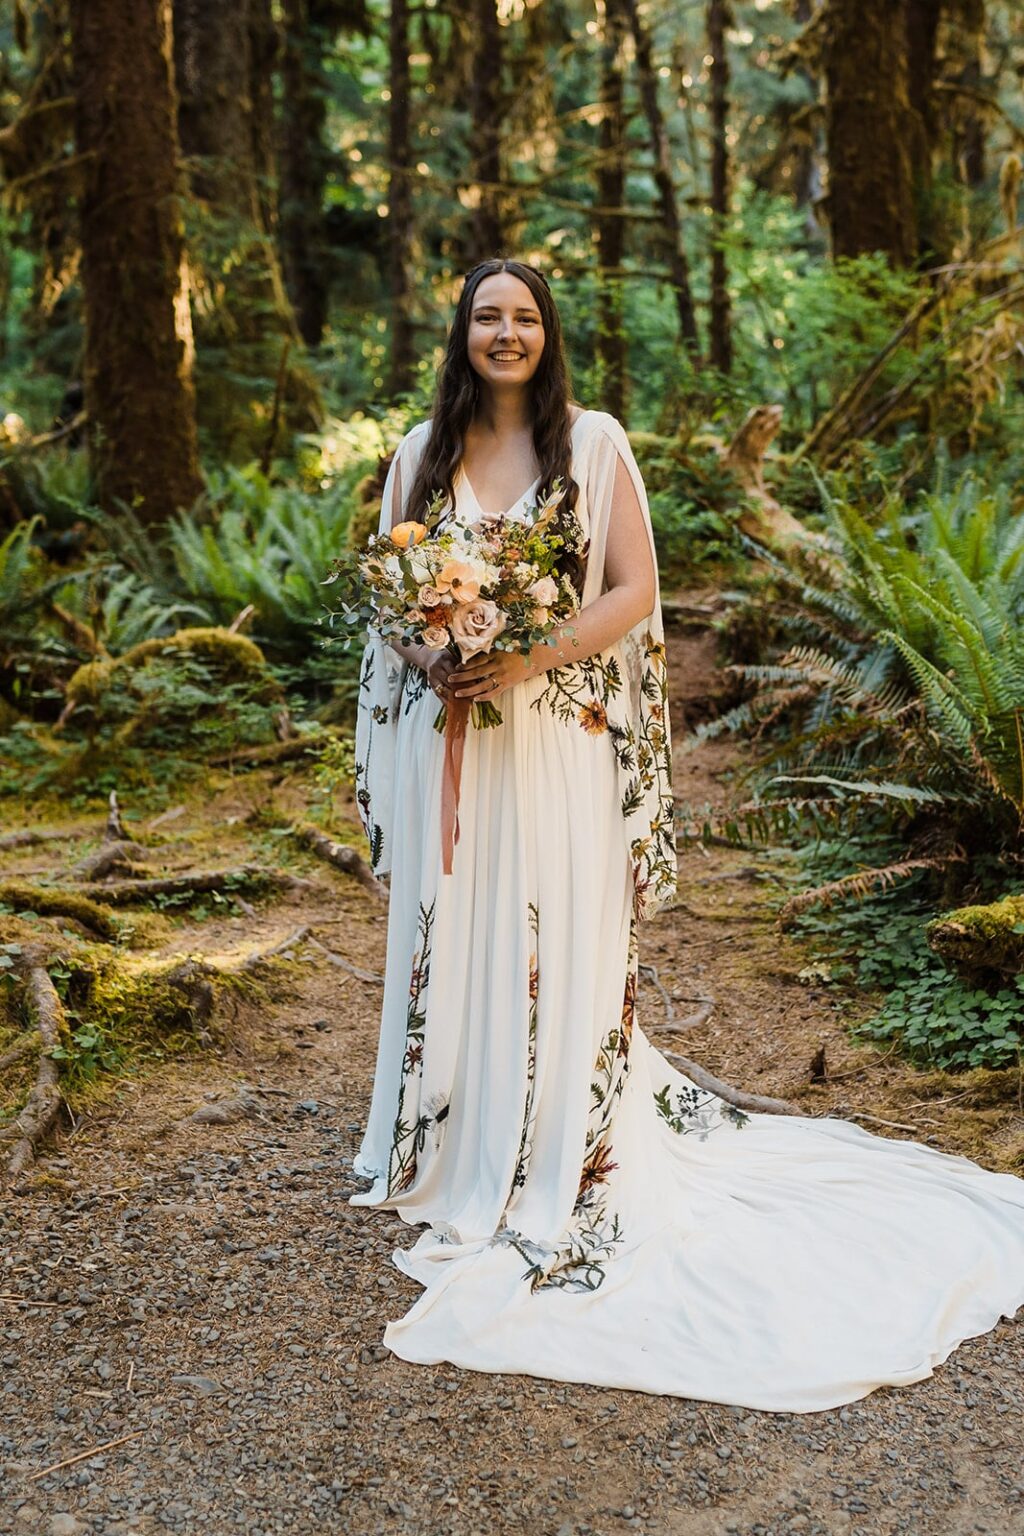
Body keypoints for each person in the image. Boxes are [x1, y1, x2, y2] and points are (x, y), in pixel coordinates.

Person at [349, 257, 1024, 1412]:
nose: (503, 335)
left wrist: (529, 652)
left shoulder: (595, 444)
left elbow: (632, 593)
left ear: (547, 336)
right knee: (451, 923)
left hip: (556, 738)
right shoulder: (421, 452)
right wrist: (435, 655)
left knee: (552, 934)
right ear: (458, 333)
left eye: (523, 319)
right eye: (484, 318)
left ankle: (555, 1138)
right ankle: (455, 1138)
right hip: (449, 738)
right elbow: (389, 595)